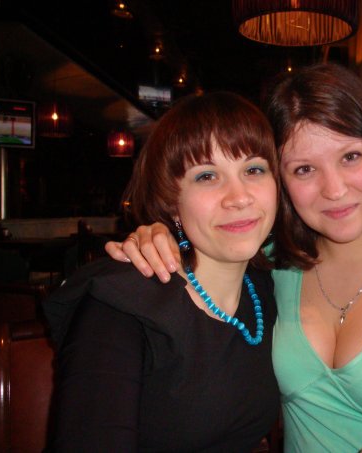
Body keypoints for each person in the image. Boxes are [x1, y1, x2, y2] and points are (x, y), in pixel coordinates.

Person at [107, 63, 362, 452]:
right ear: (279, 181)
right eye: (304, 169)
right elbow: (202, 255)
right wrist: (163, 235)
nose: (334, 189)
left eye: (350, 157)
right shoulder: (269, 265)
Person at [42, 92, 280, 452]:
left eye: (253, 169)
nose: (239, 196)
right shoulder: (122, 305)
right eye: (207, 176)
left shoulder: (265, 291)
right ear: (171, 203)